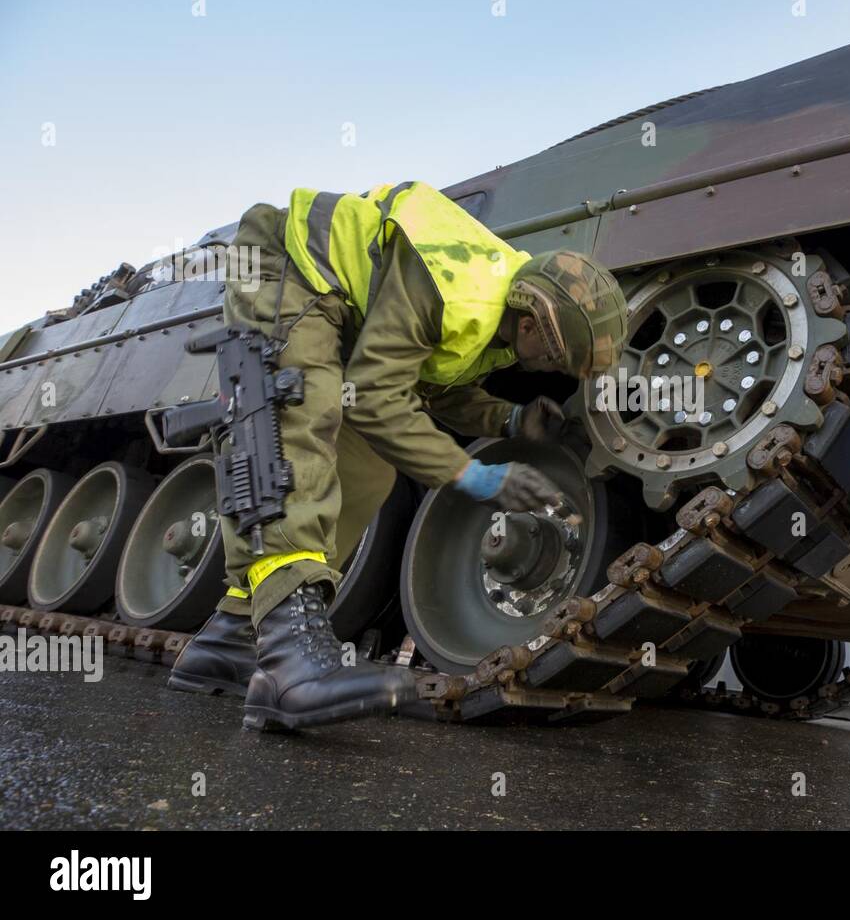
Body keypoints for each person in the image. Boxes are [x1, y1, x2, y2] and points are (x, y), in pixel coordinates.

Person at [166, 181, 627, 732]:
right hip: (290, 265)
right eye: (554, 358)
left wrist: (507, 421)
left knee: (367, 469)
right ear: (531, 324)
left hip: (344, 312)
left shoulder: (492, 319)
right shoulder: (458, 288)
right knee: (295, 417)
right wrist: (479, 479)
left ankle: (231, 639)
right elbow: (380, 401)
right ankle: (289, 663)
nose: (548, 369)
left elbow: (432, 390)